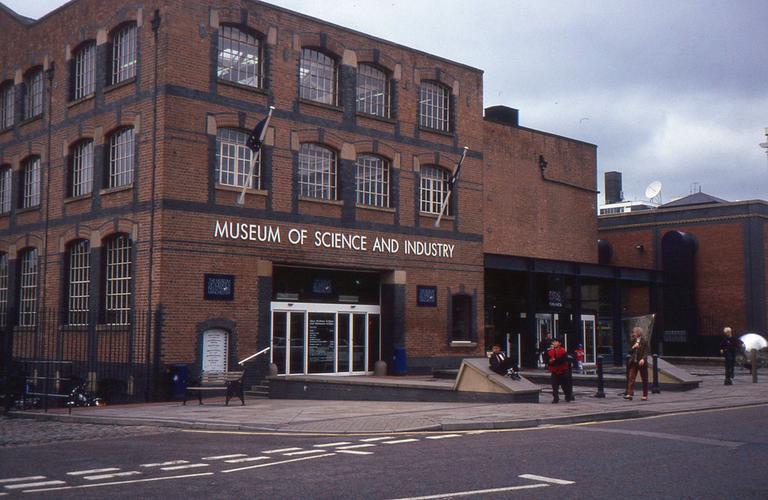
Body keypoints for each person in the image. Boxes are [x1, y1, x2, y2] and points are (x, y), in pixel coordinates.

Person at [624, 327, 649, 401]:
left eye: (634, 332)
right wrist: (633, 347)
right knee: (631, 378)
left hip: (641, 363)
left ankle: (645, 395)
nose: (633, 334)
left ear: (638, 333)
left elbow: (646, 352)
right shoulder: (633, 341)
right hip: (633, 362)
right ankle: (629, 394)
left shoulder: (644, 341)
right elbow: (629, 351)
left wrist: (643, 359)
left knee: (644, 379)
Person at [547, 338, 573, 403]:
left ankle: (568, 396)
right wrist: (550, 362)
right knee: (554, 385)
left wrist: (553, 361)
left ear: (559, 343)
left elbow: (562, 360)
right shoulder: (550, 351)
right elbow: (548, 360)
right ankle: (556, 398)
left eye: (556, 342)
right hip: (554, 371)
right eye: (553, 342)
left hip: (563, 371)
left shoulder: (563, 351)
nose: (554, 343)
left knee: (565, 385)